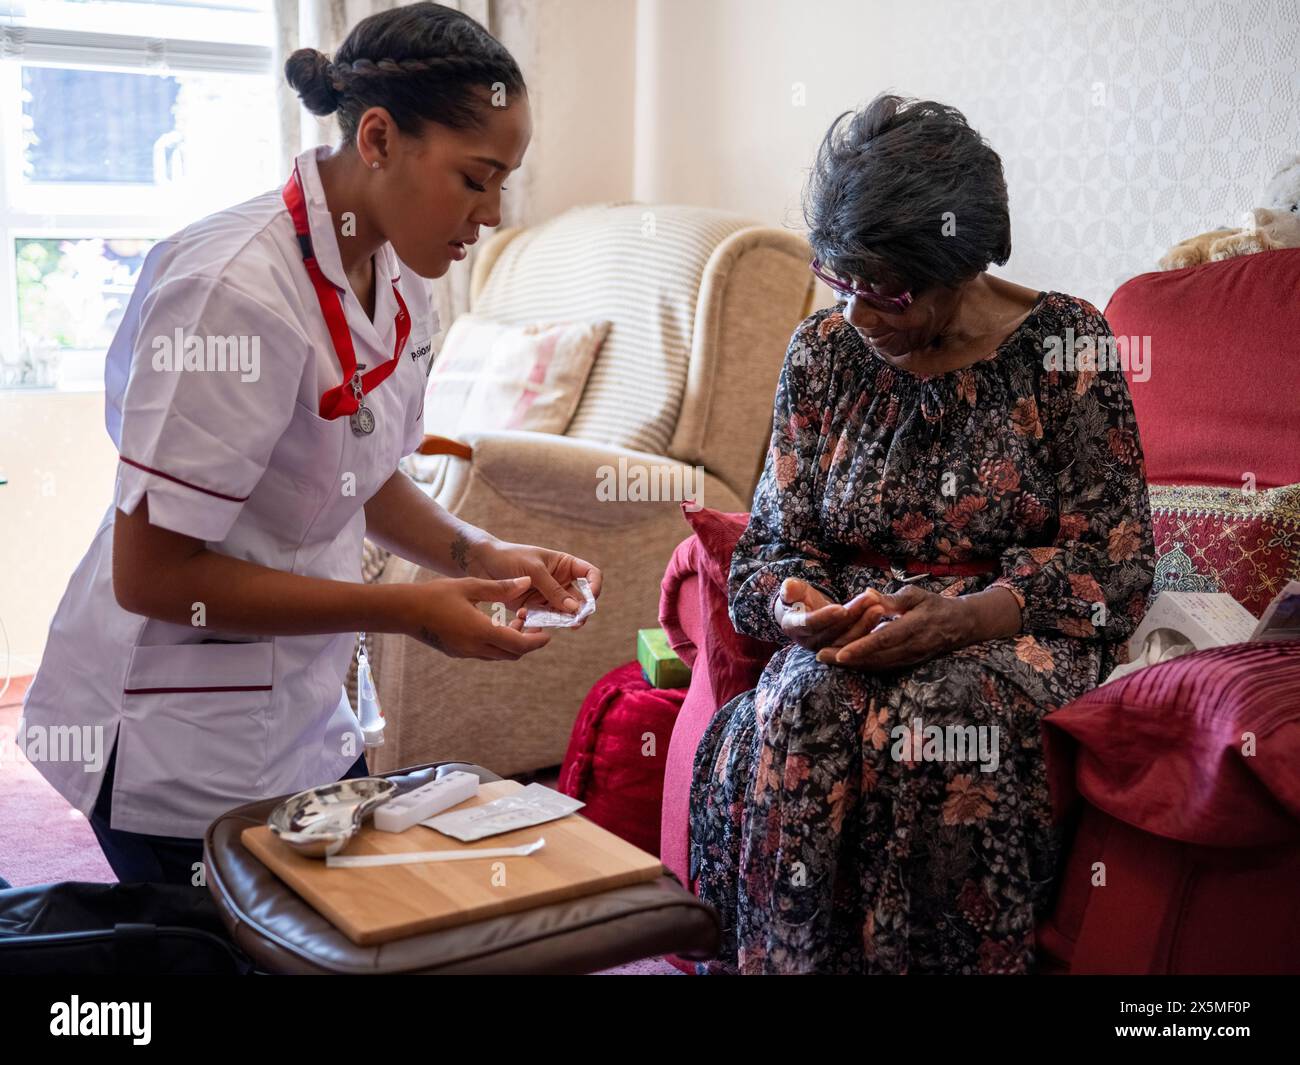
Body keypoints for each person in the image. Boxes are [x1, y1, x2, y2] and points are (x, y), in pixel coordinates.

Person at [21, 2, 600, 886]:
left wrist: (477, 551)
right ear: (376, 138)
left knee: (351, 924)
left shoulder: (405, 273)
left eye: (503, 184)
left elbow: (360, 474)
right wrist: (409, 611)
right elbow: (154, 574)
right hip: (173, 738)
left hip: (304, 719)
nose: (489, 214)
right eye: (475, 178)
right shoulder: (233, 293)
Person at [689, 94, 1155, 974]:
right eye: (843, 285)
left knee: (936, 718)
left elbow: (1117, 566)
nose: (863, 319)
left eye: (891, 293)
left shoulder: (1068, 345)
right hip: (853, 631)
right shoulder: (822, 354)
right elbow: (768, 551)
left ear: (964, 261)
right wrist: (797, 611)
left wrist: (967, 616)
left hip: (1011, 632)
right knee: (799, 707)